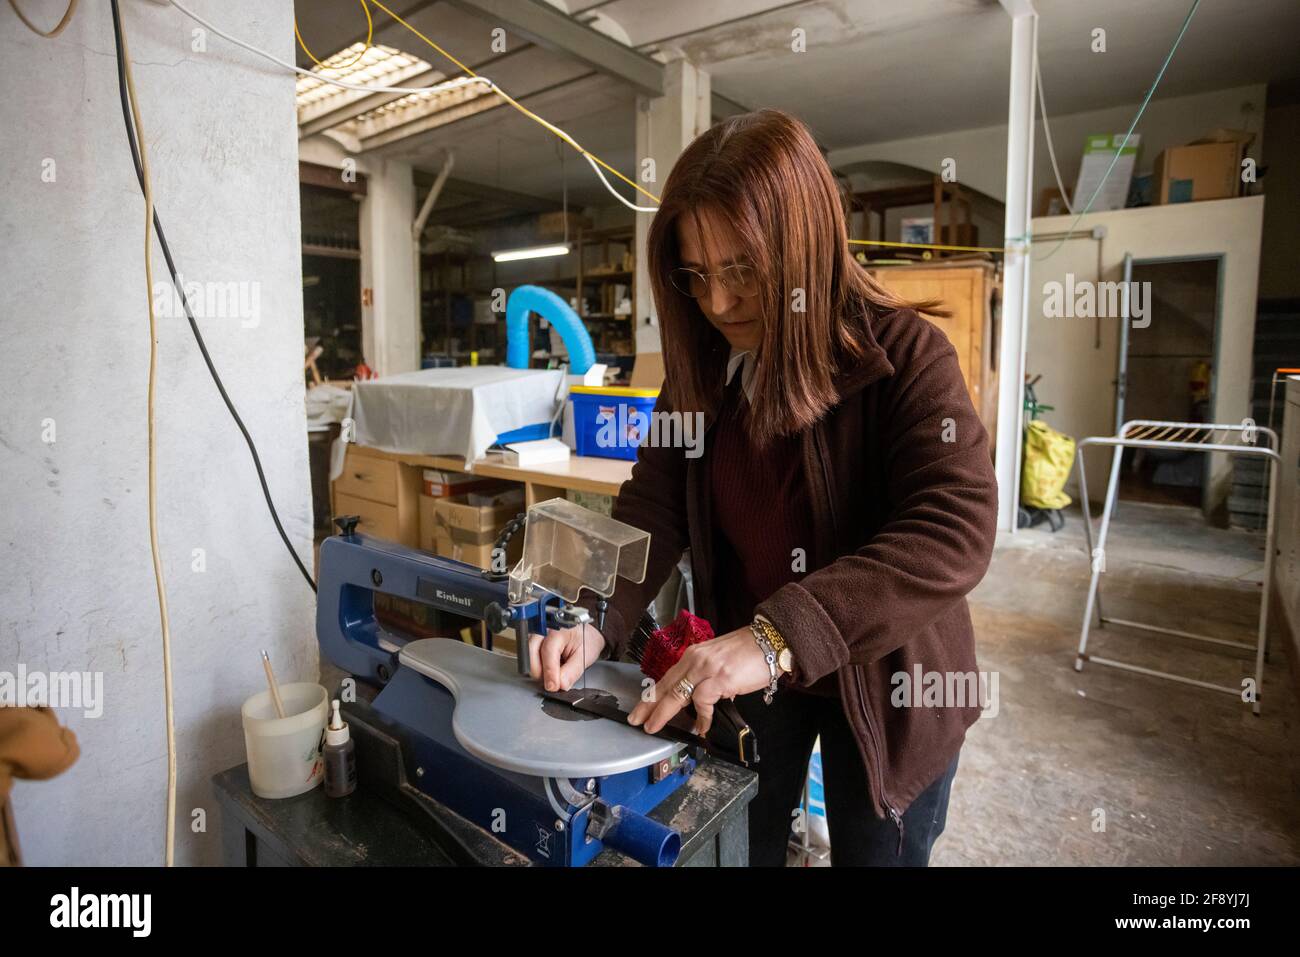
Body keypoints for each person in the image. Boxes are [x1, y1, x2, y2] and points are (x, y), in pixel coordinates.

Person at [530, 109, 998, 866]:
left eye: (743, 270)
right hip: (750, 666)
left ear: (804, 247)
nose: (717, 303)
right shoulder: (704, 371)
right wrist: (593, 617)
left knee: (876, 848)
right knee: (731, 839)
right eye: (697, 274)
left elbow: (956, 527)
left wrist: (778, 636)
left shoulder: (909, 357)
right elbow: (651, 506)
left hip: (889, 677)